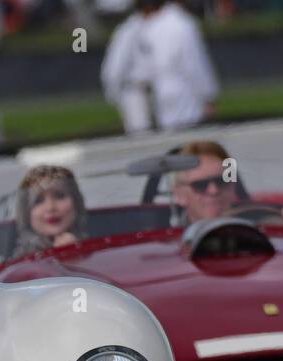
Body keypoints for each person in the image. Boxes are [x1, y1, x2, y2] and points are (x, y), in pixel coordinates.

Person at [141, 1, 219, 132]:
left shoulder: (152, 25)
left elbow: (147, 64)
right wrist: (208, 96)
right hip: (185, 89)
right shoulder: (185, 24)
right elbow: (195, 63)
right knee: (190, 136)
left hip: (161, 89)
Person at [100, 1, 157, 134]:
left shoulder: (155, 25)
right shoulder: (127, 30)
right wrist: (114, 94)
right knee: (141, 135)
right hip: (135, 90)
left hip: (156, 89)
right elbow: (114, 67)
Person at [13, 165, 88, 256]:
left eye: (59, 196)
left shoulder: (99, 245)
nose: (50, 207)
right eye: (38, 201)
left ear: (76, 202)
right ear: (26, 213)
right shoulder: (20, 261)